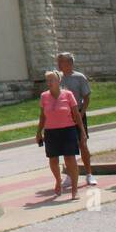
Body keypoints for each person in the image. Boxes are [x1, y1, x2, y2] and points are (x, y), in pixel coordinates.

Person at [36, 70, 84, 200]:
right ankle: (58, 180)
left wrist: (82, 132)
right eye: (47, 80)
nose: (49, 82)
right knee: (53, 160)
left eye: (52, 80)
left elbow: (76, 114)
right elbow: (42, 116)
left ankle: (74, 189)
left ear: (58, 81)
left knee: (70, 159)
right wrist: (39, 132)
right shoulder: (44, 96)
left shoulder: (68, 94)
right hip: (51, 132)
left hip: (68, 130)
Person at [58, 52, 97, 187]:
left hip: (78, 114)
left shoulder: (79, 77)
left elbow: (86, 97)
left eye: (62, 61)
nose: (59, 64)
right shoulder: (57, 78)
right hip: (63, 116)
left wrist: (81, 113)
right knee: (67, 146)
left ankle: (89, 174)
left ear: (70, 63)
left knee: (82, 144)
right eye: (59, 62)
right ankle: (70, 175)